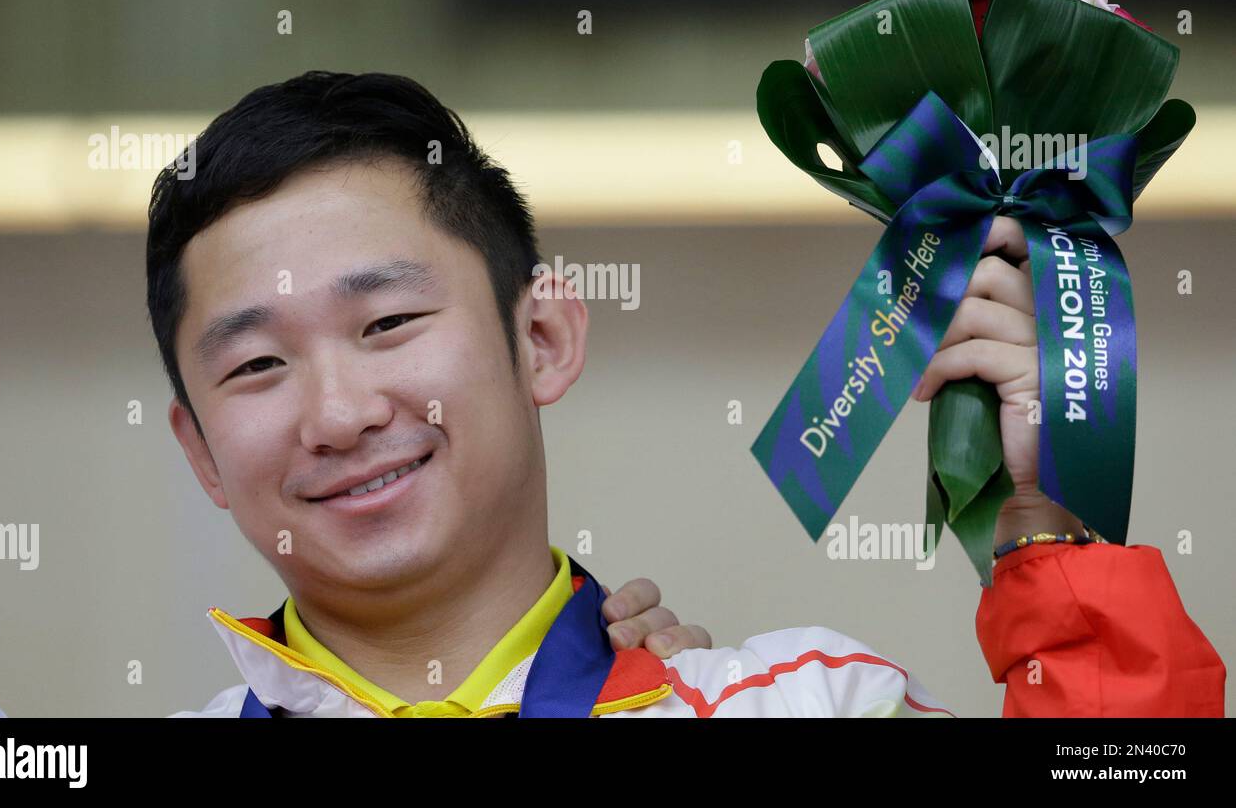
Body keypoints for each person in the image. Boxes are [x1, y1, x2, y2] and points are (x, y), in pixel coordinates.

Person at [148, 71, 1223, 717]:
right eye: (256, 365)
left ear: (542, 336)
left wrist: (1049, 523)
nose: (337, 413)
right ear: (199, 451)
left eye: (386, 323)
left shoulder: (809, 702)